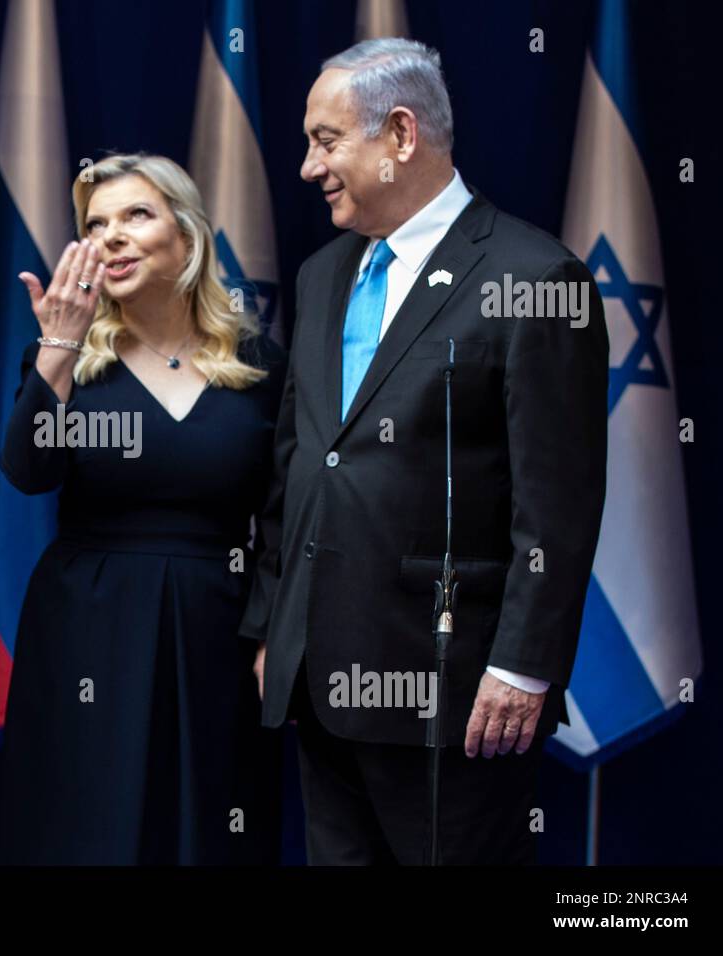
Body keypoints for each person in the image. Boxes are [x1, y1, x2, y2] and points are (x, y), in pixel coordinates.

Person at [241, 38, 608, 865]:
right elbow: (300, 460)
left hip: (455, 689)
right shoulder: (322, 274)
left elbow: (559, 501)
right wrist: (275, 624)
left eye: (326, 140)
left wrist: (523, 666)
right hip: (321, 677)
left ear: (400, 134)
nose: (307, 167)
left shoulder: (537, 276)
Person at [0, 153, 285, 864]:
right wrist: (59, 345)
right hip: (87, 626)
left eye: (136, 215)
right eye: (96, 224)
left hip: (220, 626)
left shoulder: (260, 366)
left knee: (208, 824)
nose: (112, 236)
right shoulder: (65, 357)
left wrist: (279, 629)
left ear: (187, 236)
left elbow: (287, 515)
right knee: (86, 825)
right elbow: (28, 473)